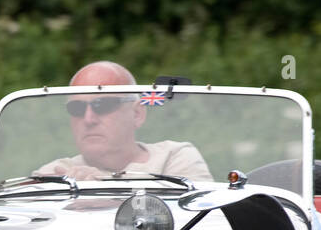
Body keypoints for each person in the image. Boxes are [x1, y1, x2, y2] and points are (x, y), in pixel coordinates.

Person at [34, 61, 212, 181]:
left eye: (103, 105)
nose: (88, 119)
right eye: (77, 108)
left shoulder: (174, 157)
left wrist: (105, 192)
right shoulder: (55, 173)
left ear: (137, 114)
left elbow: (195, 219)